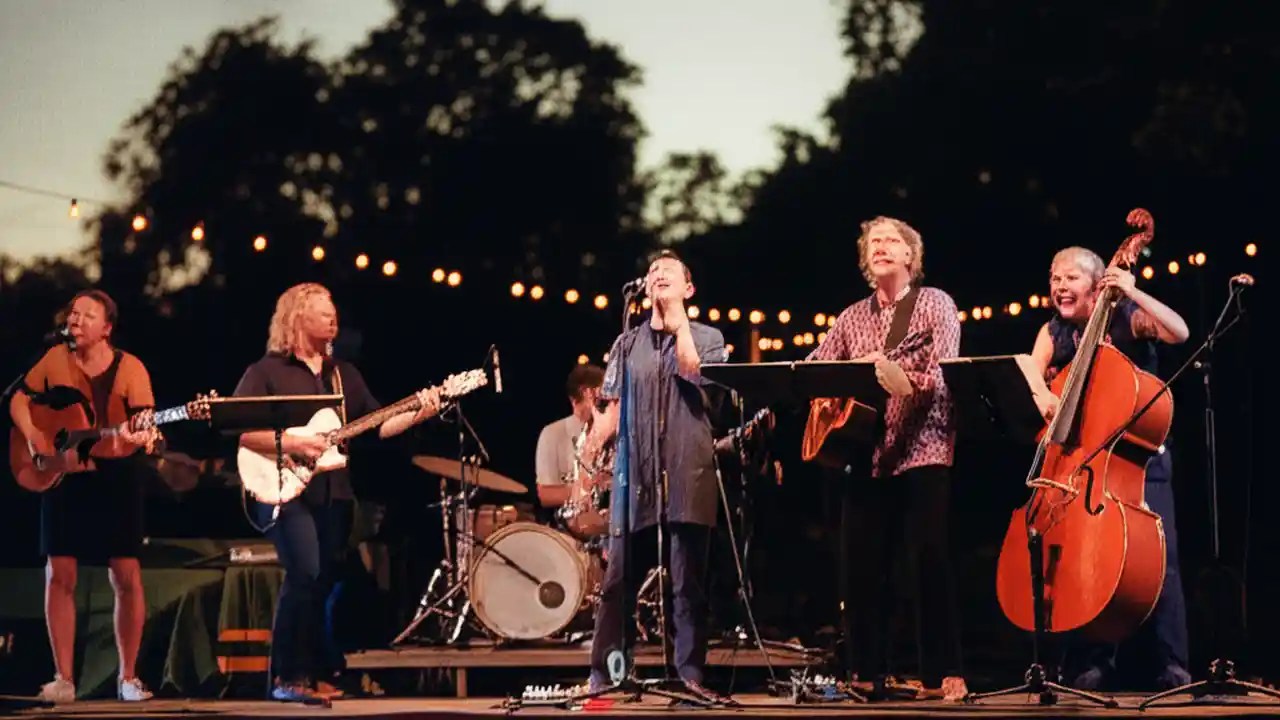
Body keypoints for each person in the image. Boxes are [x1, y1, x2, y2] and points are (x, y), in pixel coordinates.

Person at [232, 283, 441, 702]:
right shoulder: (267, 371)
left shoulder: (343, 374)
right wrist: (295, 444)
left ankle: (310, 674)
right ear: (298, 318)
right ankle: (285, 677)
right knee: (305, 570)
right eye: (323, 312)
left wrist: (419, 412)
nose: (333, 319)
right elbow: (242, 431)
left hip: (334, 493)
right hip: (284, 490)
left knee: (324, 580)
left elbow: (378, 424)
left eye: (334, 313)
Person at [805, 216, 966, 701]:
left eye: (891, 241)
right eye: (873, 242)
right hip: (866, 451)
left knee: (928, 561)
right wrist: (823, 397)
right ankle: (865, 672)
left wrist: (903, 380)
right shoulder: (852, 316)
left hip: (924, 446)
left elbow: (944, 373)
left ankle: (942, 674)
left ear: (910, 256)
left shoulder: (935, 303)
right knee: (860, 566)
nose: (880, 247)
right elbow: (818, 367)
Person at [1029, 246, 1192, 691]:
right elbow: (1029, 367)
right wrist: (1042, 394)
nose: (1060, 286)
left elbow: (1178, 332)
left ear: (1098, 284)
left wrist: (1135, 291)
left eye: (1071, 279)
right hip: (1082, 472)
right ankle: (1089, 663)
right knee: (1083, 564)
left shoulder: (1130, 319)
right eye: (1055, 278)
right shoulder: (1054, 331)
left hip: (1140, 462)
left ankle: (1172, 665)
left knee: (1161, 562)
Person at [578, 250, 728, 702]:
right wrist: (588, 459)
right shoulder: (627, 342)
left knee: (687, 582)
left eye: (670, 272)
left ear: (689, 288)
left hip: (688, 470)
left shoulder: (707, 336)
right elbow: (610, 410)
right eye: (651, 272)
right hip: (635, 474)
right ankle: (609, 674)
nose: (657, 275)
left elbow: (693, 372)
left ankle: (688, 674)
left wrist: (679, 322)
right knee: (618, 581)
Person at [8, 290, 160, 703]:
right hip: (65, 477)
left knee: (125, 575)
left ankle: (128, 678)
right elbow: (18, 400)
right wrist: (36, 436)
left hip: (116, 476)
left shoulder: (130, 368)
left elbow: (145, 420)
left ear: (107, 328)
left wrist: (140, 435)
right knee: (59, 575)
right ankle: (63, 679)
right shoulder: (54, 358)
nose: (77, 320)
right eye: (74, 313)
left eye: (87, 315)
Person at [534, 363, 605, 509]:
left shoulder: (612, 433)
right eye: (595, 398)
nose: (601, 405)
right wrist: (588, 489)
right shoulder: (552, 434)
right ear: (575, 399)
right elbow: (545, 495)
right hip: (564, 528)